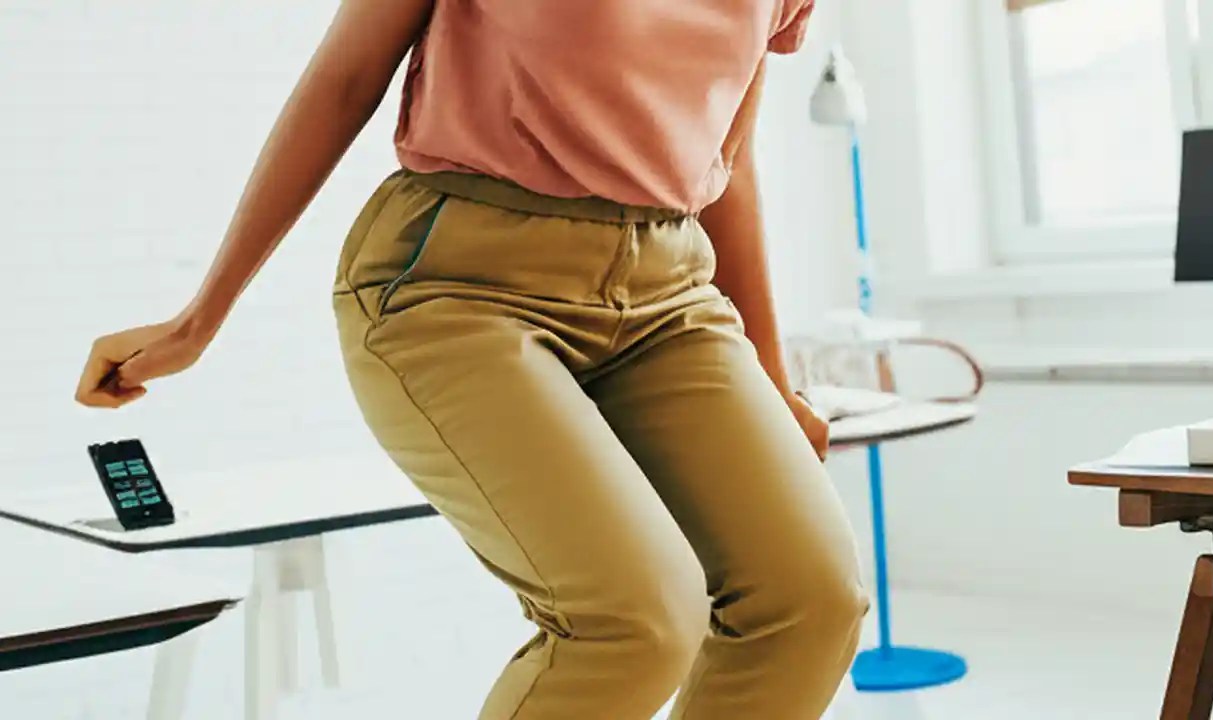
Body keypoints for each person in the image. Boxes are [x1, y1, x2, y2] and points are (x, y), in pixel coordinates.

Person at [74, 1, 869, 717]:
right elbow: (346, 78)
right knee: (637, 621)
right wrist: (199, 317)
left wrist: (770, 380)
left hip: (669, 292)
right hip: (458, 284)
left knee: (810, 600)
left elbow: (728, 164)